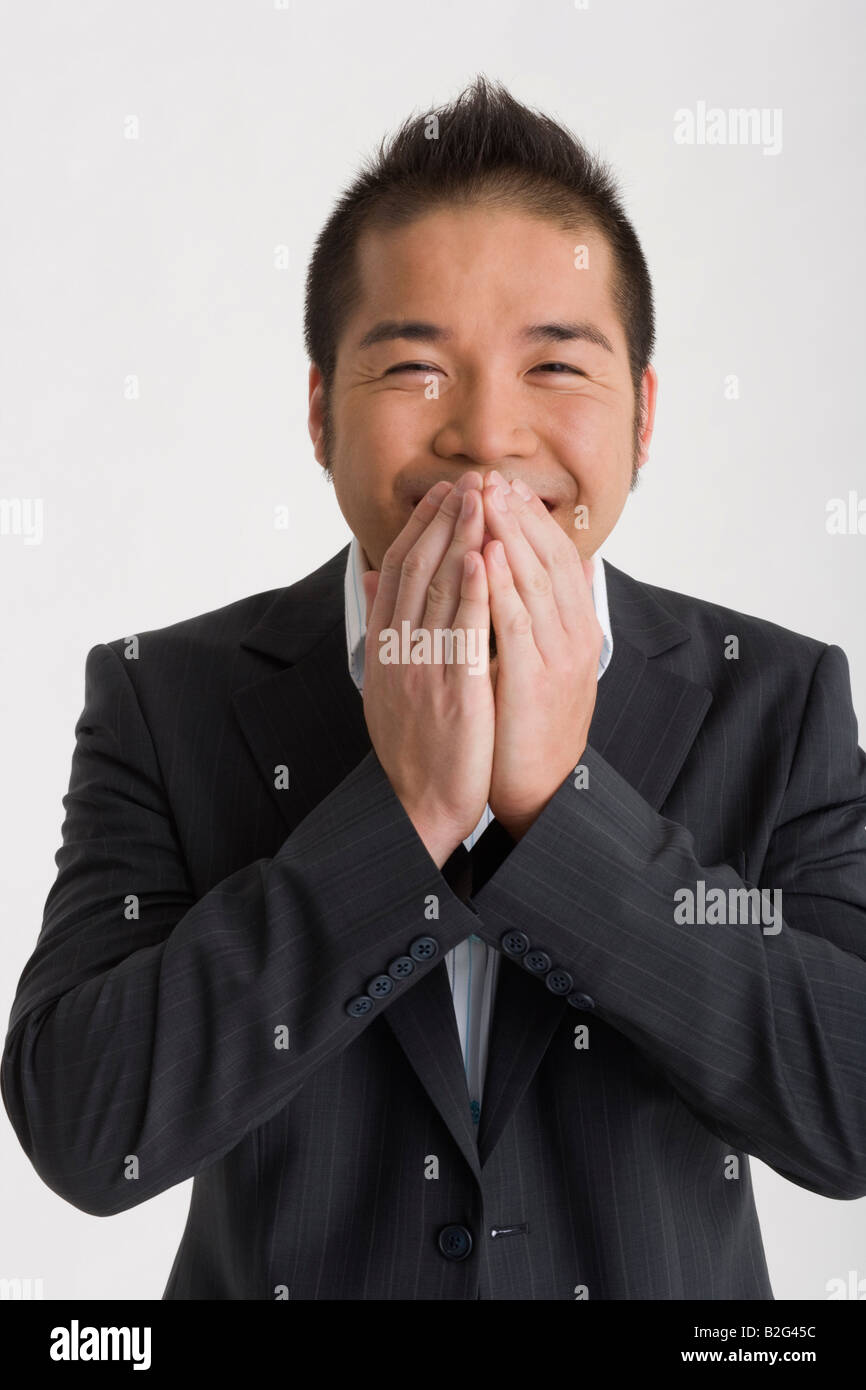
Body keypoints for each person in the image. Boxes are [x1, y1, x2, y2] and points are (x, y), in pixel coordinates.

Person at [3, 75, 866, 1301]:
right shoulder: (171, 698)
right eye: (415, 366)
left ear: (642, 417)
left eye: (555, 367)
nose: (484, 434)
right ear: (318, 413)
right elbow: (87, 1128)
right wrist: (394, 822)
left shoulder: (773, 700)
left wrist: (565, 819)